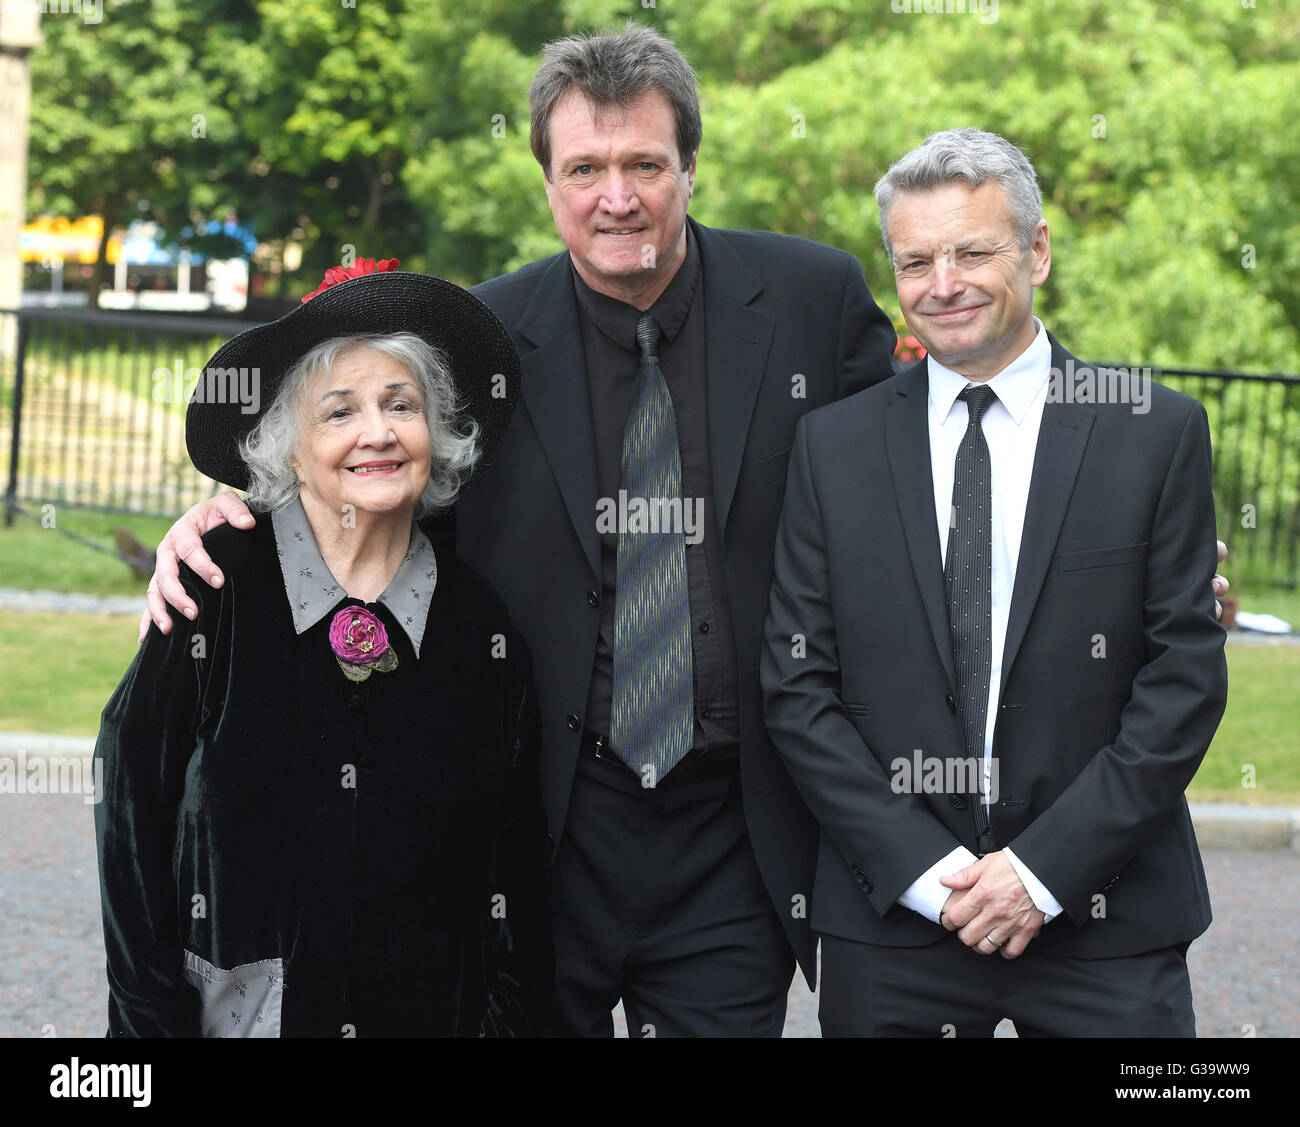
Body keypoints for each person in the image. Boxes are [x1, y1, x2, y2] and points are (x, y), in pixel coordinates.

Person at [139, 29, 1230, 1036]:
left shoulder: (810, 298)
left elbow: (958, 407)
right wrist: (232, 517)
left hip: (736, 836)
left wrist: (1130, 526)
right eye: (584, 170)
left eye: (645, 166)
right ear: (548, 182)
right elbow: (374, 478)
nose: (617, 198)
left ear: (689, 168)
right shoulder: (479, 344)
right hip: (538, 825)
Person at [761, 128, 1229, 1036]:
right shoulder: (832, 447)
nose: (945, 283)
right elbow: (797, 684)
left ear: (1039, 250)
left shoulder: (1155, 432)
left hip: (1107, 920)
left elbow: (1182, 679)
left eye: (974, 250)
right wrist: (928, 875)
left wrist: (1043, 872)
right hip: (896, 925)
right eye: (915, 260)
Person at [96, 260, 552, 1037]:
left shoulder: (481, 625)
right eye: (339, 412)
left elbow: (515, 866)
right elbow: (128, 804)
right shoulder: (215, 589)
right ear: (289, 450)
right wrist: (148, 1025)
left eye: (400, 405)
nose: (377, 431)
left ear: (435, 437)